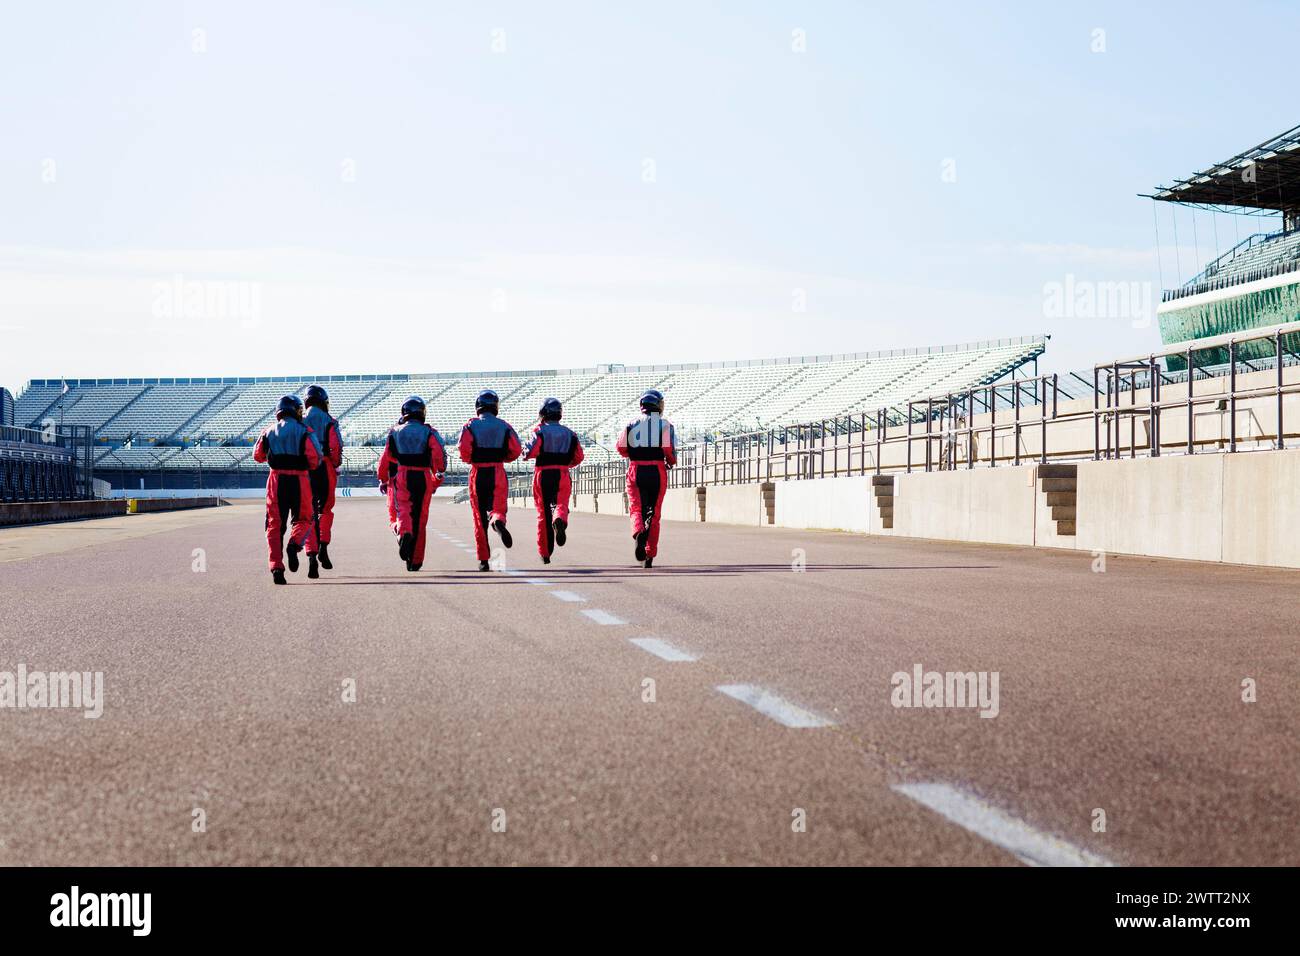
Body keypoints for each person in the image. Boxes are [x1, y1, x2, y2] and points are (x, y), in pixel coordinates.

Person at [253, 394, 323, 584]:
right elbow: (315, 459)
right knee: (305, 519)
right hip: (300, 481)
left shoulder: (267, 431)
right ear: (295, 410)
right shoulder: (305, 430)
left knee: (274, 525)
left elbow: (257, 456)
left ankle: (276, 568)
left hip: (276, 480)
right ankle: (294, 544)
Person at [376, 396, 447, 572]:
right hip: (423, 475)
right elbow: (439, 454)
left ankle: (404, 533)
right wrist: (438, 473)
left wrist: (383, 478)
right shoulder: (429, 432)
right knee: (421, 518)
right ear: (422, 412)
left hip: (403, 474)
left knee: (404, 510)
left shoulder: (395, 431)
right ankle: (415, 561)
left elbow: (387, 456)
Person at [457, 388, 521, 571]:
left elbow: (463, 450)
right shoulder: (505, 426)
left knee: (479, 518)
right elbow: (515, 450)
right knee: (498, 507)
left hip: (478, 473)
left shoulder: (470, 426)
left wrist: (472, 460)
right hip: (497, 471)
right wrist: (503, 459)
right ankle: (497, 521)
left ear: (478, 406)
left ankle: (484, 561)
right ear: (495, 407)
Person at [616, 389, 676, 568]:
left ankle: (638, 531)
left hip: (636, 469)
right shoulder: (664, 424)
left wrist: (633, 453)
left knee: (636, 508)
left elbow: (620, 448)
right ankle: (649, 554)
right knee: (654, 513)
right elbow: (669, 452)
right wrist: (671, 461)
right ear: (657, 405)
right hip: (657, 470)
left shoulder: (631, 424)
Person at [523, 397, 584, 563]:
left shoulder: (539, 431)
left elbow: (529, 452)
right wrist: (565, 464)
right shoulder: (570, 434)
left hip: (543, 474)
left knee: (543, 513)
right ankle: (560, 519)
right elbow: (579, 457)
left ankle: (545, 552)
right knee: (562, 503)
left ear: (543, 413)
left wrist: (525, 454)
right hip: (562, 473)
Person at [302, 384, 343, 570]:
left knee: (308, 513)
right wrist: (334, 464)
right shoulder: (330, 421)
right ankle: (324, 547)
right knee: (325, 510)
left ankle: (311, 554)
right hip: (325, 466)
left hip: (305, 469)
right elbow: (336, 447)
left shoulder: (299, 420)